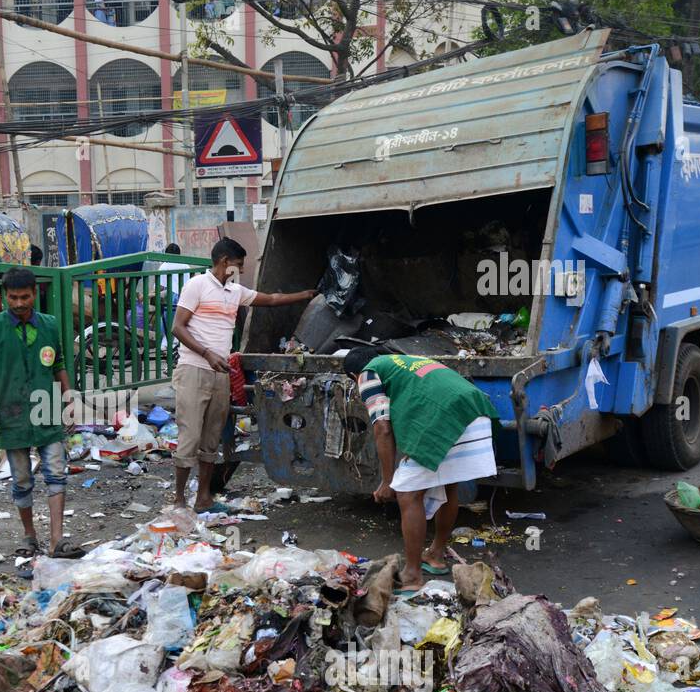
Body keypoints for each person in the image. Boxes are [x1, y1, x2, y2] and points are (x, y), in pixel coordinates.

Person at [170, 237, 316, 511]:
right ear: (225, 262)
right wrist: (207, 354)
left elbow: (271, 300)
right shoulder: (197, 286)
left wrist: (306, 296)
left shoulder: (234, 291)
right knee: (189, 437)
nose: (242, 270)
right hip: (194, 370)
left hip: (220, 373)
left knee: (211, 439)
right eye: (239, 265)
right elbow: (178, 327)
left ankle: (203, 498)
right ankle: (179, 501)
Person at [340, 347, 500, 594]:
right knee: (449, 484)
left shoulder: (367, 374)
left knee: (407, 494)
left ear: (353, 375)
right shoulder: (407, 360)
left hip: (446, 419)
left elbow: (382, 428)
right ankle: (435, 555)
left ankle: (412, 575)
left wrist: (387, 481)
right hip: (475, 412)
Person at [0, 266, 82, 559]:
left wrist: (69, 399)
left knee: (56, 473)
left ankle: (57, 540)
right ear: (4, 296)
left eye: (25, 297)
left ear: (34, 294)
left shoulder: (49, 324)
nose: (20, 303)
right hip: (11, 413)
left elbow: (59, 362)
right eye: (13, 298)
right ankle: (29, 536)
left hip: (47, 408)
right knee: (21, 479)